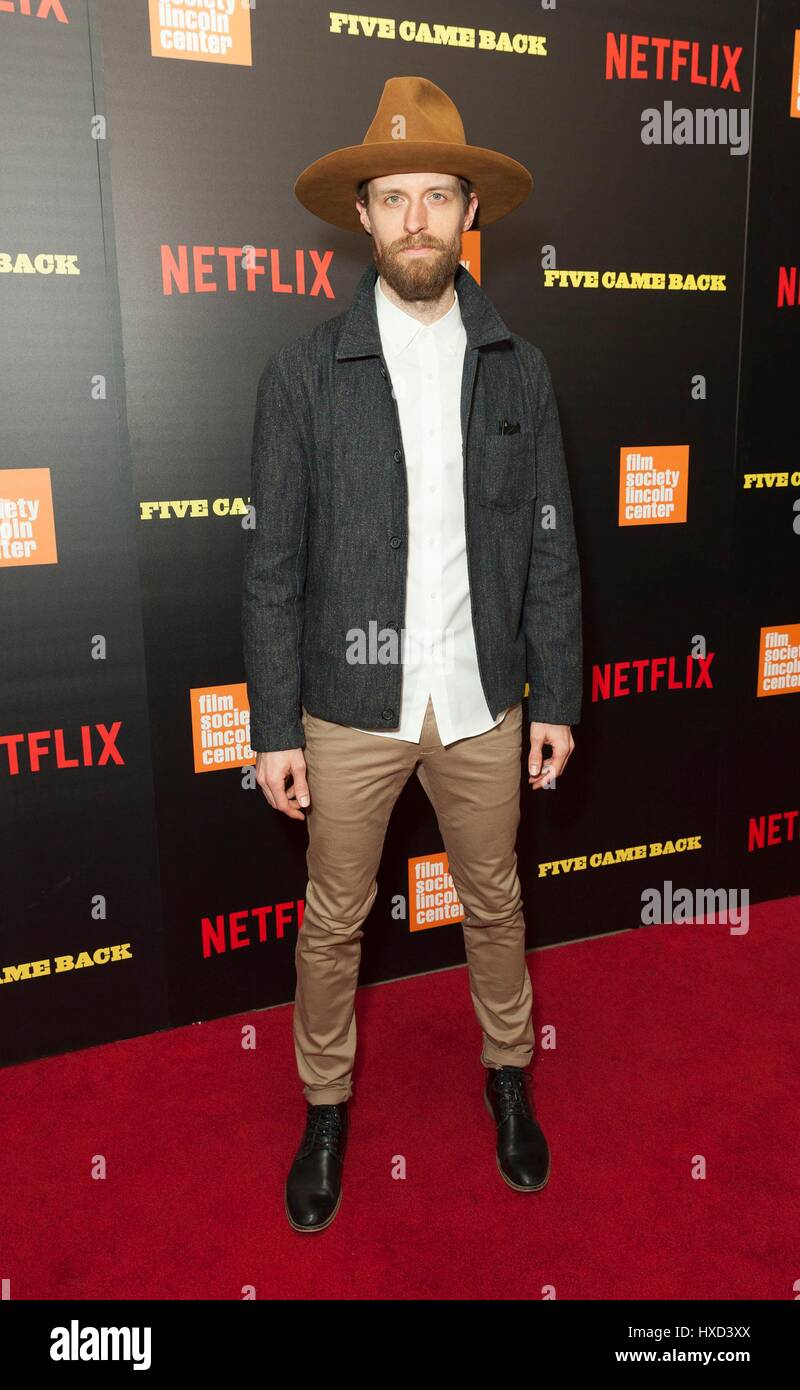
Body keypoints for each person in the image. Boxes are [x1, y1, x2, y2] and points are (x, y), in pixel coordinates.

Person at [241, 76, 583, 1233]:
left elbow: (549, 550)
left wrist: (558, 695)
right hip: (346, 704)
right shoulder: (298, 377)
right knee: (332, 919)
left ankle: (506, 1080)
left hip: (483, 696)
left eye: (438, 195)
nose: (418, 219)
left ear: (467, 207)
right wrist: (274, 727)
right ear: (364, 217)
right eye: (396, 199)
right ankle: (325, 1106)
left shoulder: (519, 370)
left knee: (494, 902)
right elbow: (272, 570)